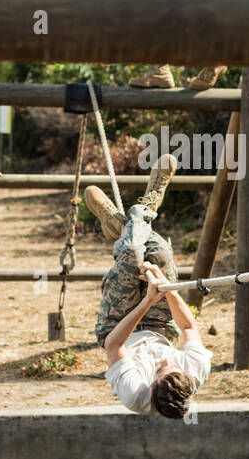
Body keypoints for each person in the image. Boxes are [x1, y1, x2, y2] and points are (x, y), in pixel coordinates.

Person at [86, 155, 210, 418]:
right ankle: (129, 221)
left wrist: (148, 301)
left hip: (117, 326)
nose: (166, 361)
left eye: (160, 370)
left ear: (151, 388)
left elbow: (113, 347)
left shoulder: (135, 394)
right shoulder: (195, 369)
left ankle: (132, 219)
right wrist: (166, 287)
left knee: (132, 251)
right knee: (161, 252)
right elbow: (188, 326)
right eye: (173, 367)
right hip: (160, 325)